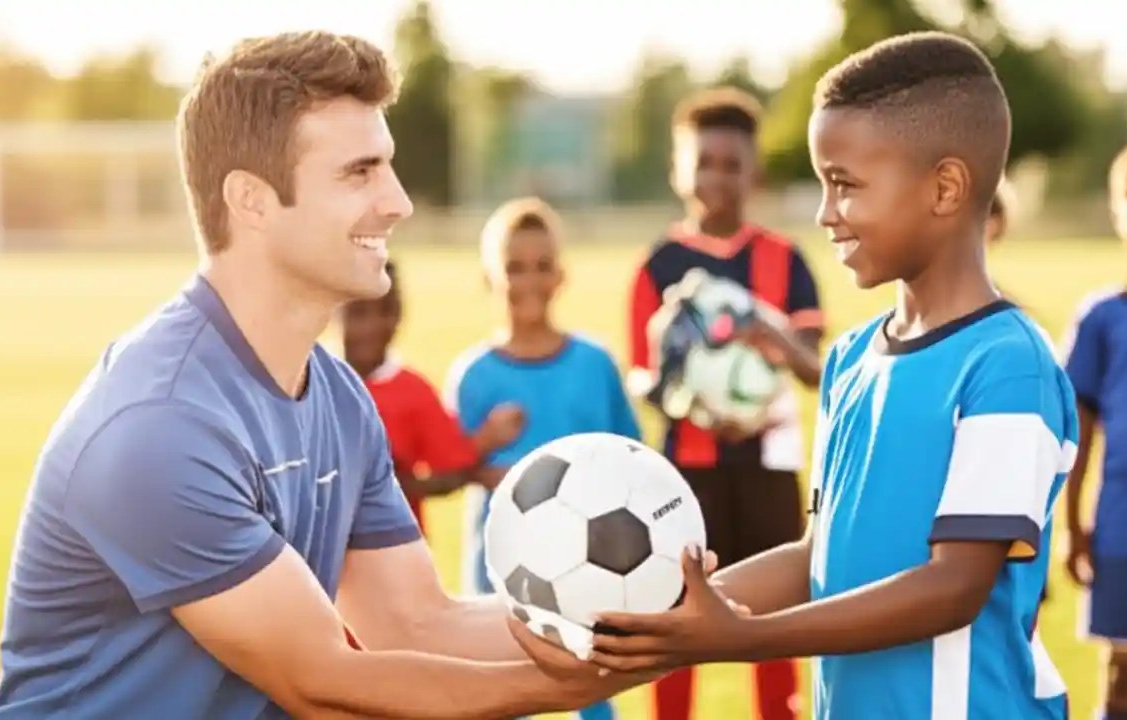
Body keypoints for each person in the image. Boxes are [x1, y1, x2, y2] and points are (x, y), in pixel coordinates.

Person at [0, 32, 651, 720]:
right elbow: (325, 688)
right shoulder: (160, 423)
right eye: (358, 172)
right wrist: (610, 669)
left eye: (386, 167)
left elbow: (422, 626)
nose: (398, 202)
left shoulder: (337, 397)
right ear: (252, 201)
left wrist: (650, 613)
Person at [515, 32, 1078, 720]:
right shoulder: (849, 361)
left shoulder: (1009, 365)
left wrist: (745, 639)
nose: (824, 212)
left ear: (946, 187)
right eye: (821, 183)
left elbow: (952, 587)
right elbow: (819, 553)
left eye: (845, 184)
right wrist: (661, 613)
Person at [626, 85, 823, 720]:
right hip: (686, 471)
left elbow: (815, 365)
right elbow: (641, 376)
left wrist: (772, 337)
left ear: (753, 172)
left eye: (731, 163)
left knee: (770, 619)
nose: (717, 176)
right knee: (676, 612)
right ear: (678, 169)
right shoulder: (658, 265)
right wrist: (683, 389)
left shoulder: (783, 261)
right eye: (703, 161)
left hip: (767, 467)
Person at [447, 196, 642, 720]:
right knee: (501, 690)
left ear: (561, 275)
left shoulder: (594, 363)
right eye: (513, 267)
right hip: (502, 566)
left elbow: (628, 454)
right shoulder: (475, 374)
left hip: (588, 557)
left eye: (541, 266)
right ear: (489, 277)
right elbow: (453, 467)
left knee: (591, 684)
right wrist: (494, 451)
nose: (528, 280)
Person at [338, 259, 525, 533]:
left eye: (386, 310)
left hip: (397, 557)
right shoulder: (303, 380)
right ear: (332, 311)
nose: (373, 325)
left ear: (401, 313)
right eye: (358, 311)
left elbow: (449, 472)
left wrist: (485, 441)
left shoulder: (414, 391)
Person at [1062, 139, 1127, 720]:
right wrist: (1072, 525)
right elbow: (1077, 434)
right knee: (1126, 680)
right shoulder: (1103, 318)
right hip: (1124, 526)